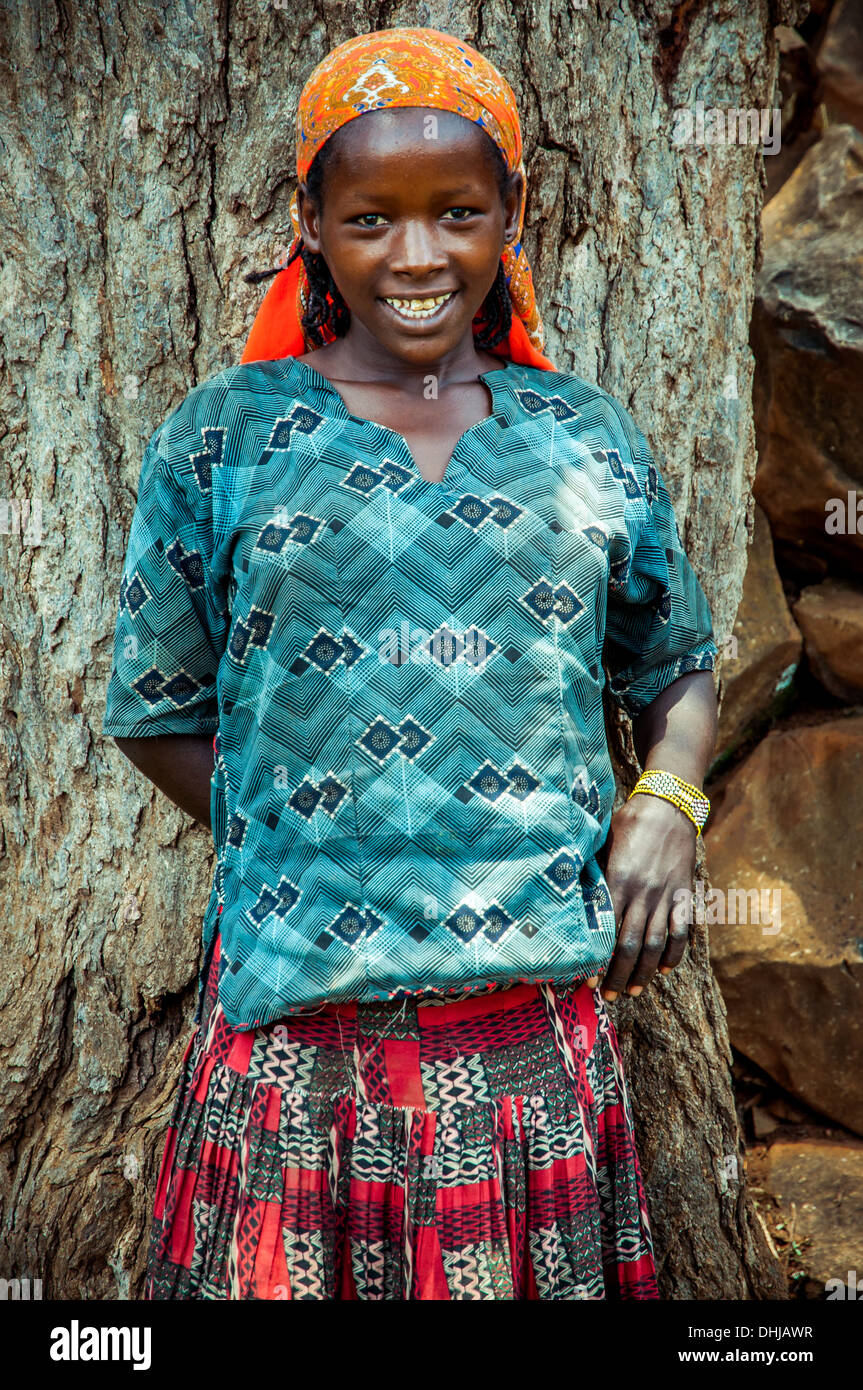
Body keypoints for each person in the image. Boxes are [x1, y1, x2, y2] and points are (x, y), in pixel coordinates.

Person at [102, 26, 718, 1301]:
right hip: (295, 1037)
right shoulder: (222, 440)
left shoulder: (582, 436)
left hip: (531, 1047)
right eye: (371, 216)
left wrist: (666, 803)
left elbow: (676, 665)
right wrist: (311, 839)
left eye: (458, 212)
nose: (419, 255)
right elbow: (154, 709)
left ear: (511, 217)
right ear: (308, 220)